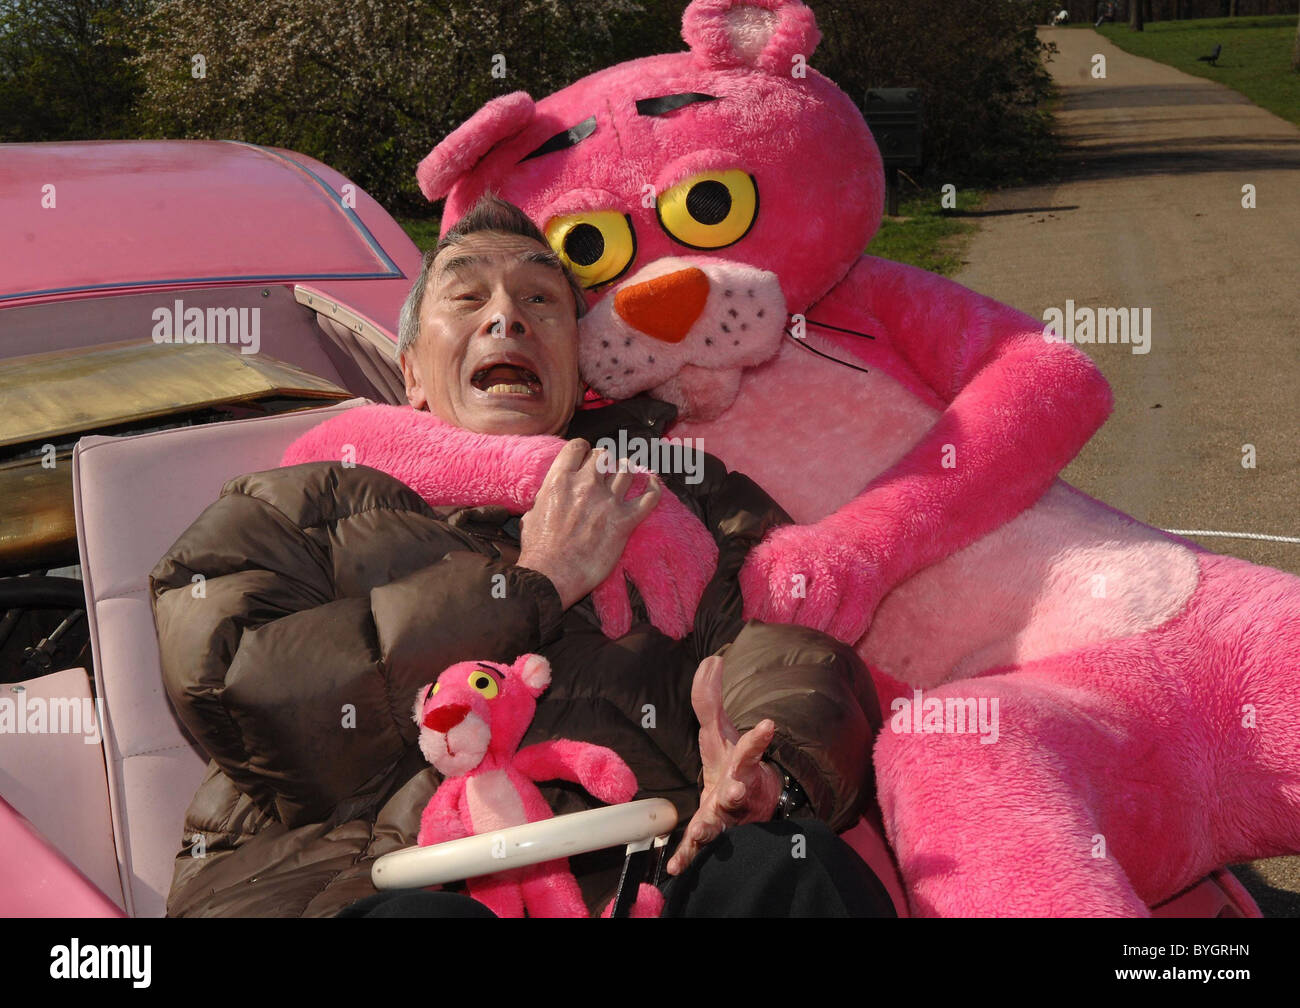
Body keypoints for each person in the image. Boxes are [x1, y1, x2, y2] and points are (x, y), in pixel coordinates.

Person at [150, 193, 890, 917]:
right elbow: (242, 689)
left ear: (578, 367)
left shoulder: (675, 494)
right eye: (467, 297)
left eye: (541, 301)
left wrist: (770, 768)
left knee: (791, 870)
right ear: (409, 372)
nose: (506, 317)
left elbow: (783, 645)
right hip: (360, 882)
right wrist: (536, 583)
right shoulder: (290, 507)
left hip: (657, 873)